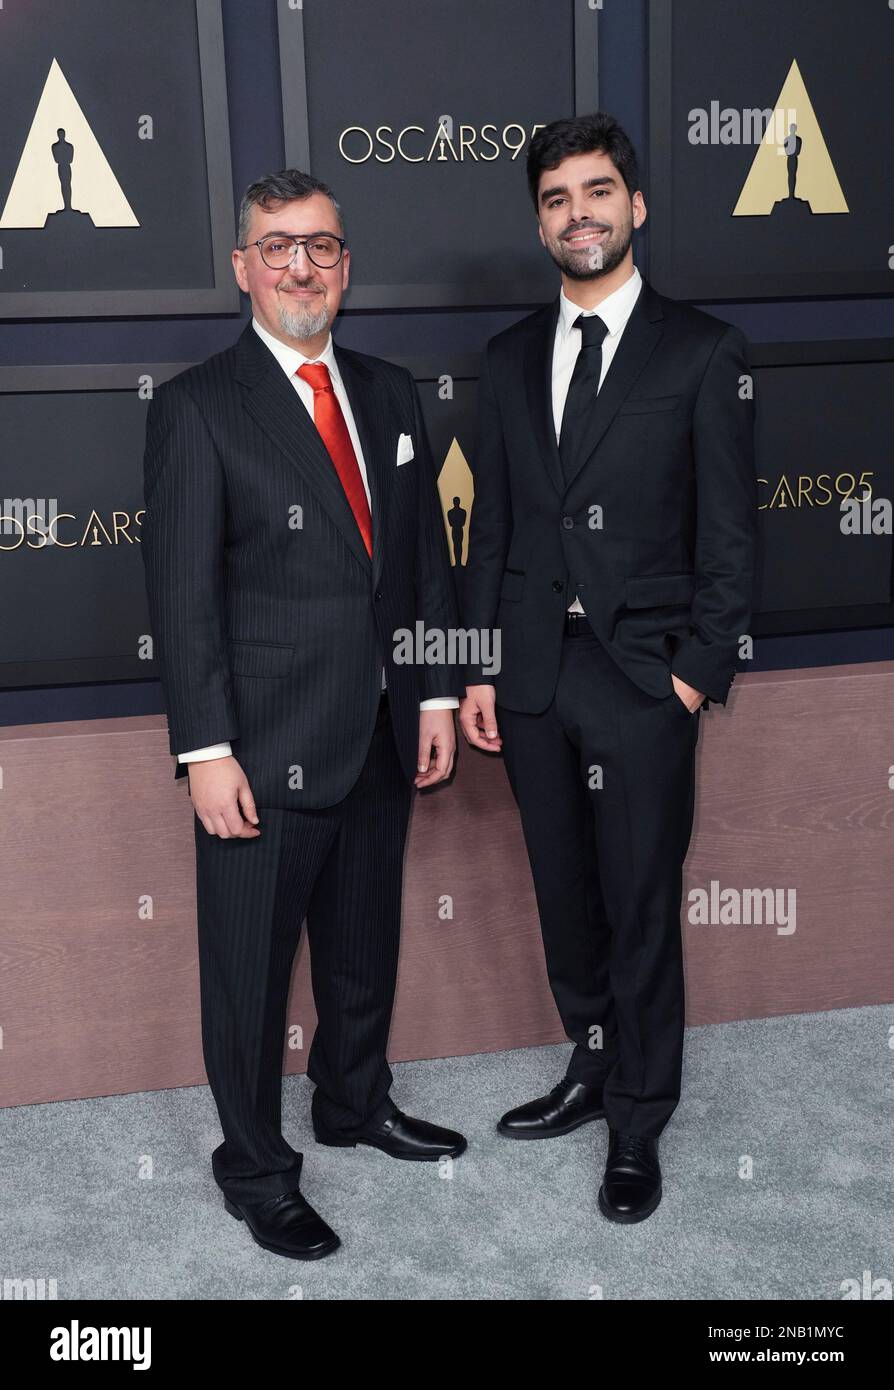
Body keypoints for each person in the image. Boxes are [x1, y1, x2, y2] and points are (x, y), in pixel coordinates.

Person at [142, 169, 466, 1260]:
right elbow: (182, 599)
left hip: (378, 729)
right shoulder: (196, 406)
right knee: (247, 971)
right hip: (260, 747)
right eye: (278, 247)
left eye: (320, 247)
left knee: (362, 945)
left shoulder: (387, 389)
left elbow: (414, 566)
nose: (300, 267)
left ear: (345, 265)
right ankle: (255, 1166)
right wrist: (205, 751)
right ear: (243, 268)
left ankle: (352, 1101)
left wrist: (426, 688)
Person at [459, 113, 757, 1223]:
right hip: (535, 675)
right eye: (554, 198)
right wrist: (485, 665)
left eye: (596, 192)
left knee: (638, 905)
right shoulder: (503, 360)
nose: (576, 213)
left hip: (642, 680)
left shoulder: (702, 350)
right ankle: (591, 1063)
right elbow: (489, 528)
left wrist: (691, 675)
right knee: (567, 899)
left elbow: (732, 539)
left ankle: (640, 1115)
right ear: (539, 222)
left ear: (634, 205)